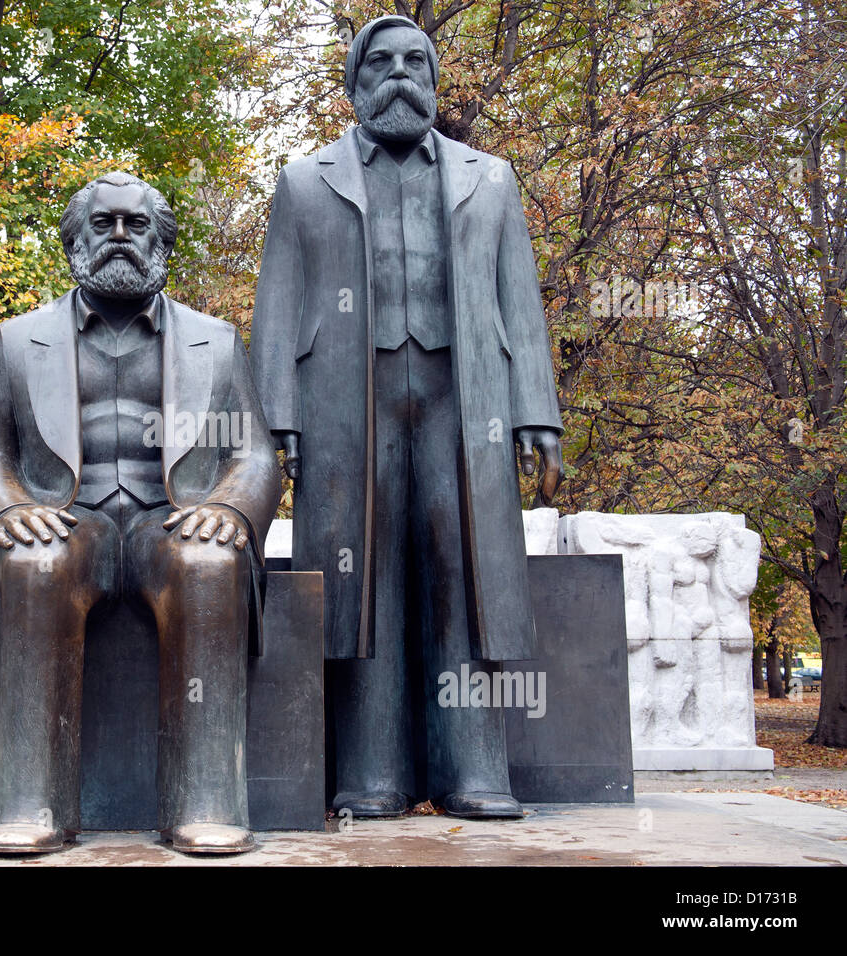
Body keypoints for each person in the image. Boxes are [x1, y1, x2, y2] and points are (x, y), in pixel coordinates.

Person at [250, 15, 564, 819]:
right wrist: (274, 416)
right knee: (364, 581)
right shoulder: (304, 182)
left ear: (433, 78)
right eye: (379, 62)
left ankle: (476, 770)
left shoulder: (490, 179)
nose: (398, 74)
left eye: (413, 61)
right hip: (344, 404)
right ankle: (371, 773)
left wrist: (538, 411)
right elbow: (278, 307)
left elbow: (518, 301)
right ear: (355, 84)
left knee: (468, 577)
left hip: (470, 401)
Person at [0, 172, 280, 854]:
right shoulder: (18, 341)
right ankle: (30, 804)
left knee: (205, 560)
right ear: (75, 241)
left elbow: (253, 456)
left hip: (173, 516)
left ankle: (207, 803)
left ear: (162, 241)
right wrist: (6, 510)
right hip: (69, 520)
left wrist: (231, 508)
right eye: (103, 225)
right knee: (35, 560)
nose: (121, 238)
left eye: (137, 226)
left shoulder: (216, 341)